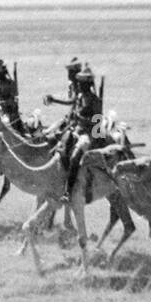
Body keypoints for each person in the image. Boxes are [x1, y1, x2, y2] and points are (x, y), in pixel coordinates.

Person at [58, 64, 104, 200]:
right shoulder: (79, 96)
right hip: (76, 130)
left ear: (88, 83)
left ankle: (68, 191)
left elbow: (97, 123)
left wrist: (82, 118)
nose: (80, 84)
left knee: (74, 157)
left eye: (83, 82)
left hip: (87, 134)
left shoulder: (95, 100)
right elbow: (70, 104)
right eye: (80, 82)